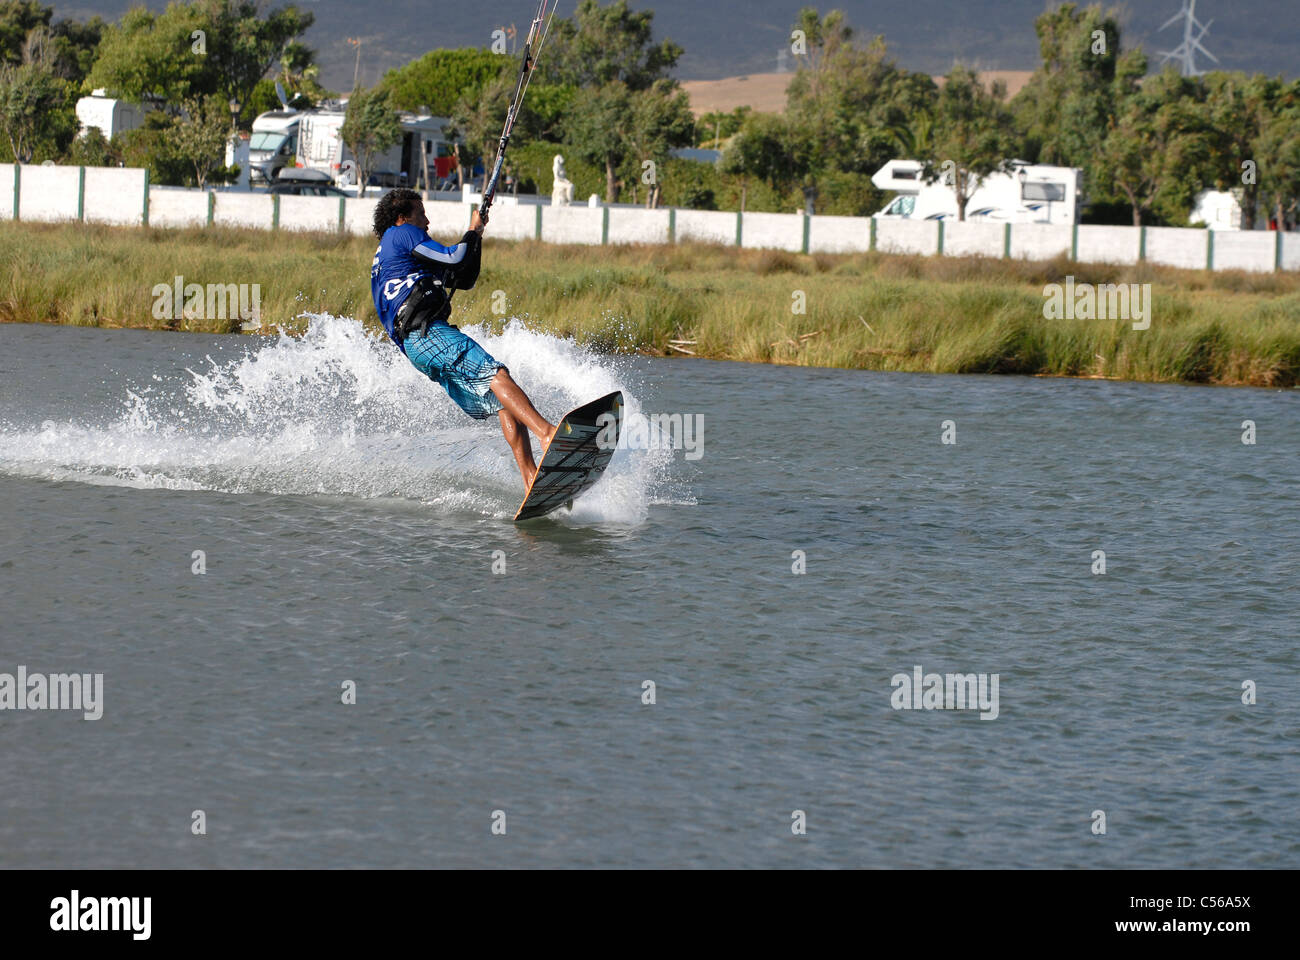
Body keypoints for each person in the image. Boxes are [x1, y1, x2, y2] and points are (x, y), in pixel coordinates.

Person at [370, 189, 555, 487]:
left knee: (503, 400)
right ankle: (548, 434)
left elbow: (463, 277)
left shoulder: (396, 257)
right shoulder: (401, 233)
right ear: (403, 217)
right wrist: (471, 230)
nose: (427, 221)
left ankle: (531, 478)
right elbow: (455, 257)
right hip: (427, 333)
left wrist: (477, 235)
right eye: (421, 213)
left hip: (418, 348)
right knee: (496, 374)